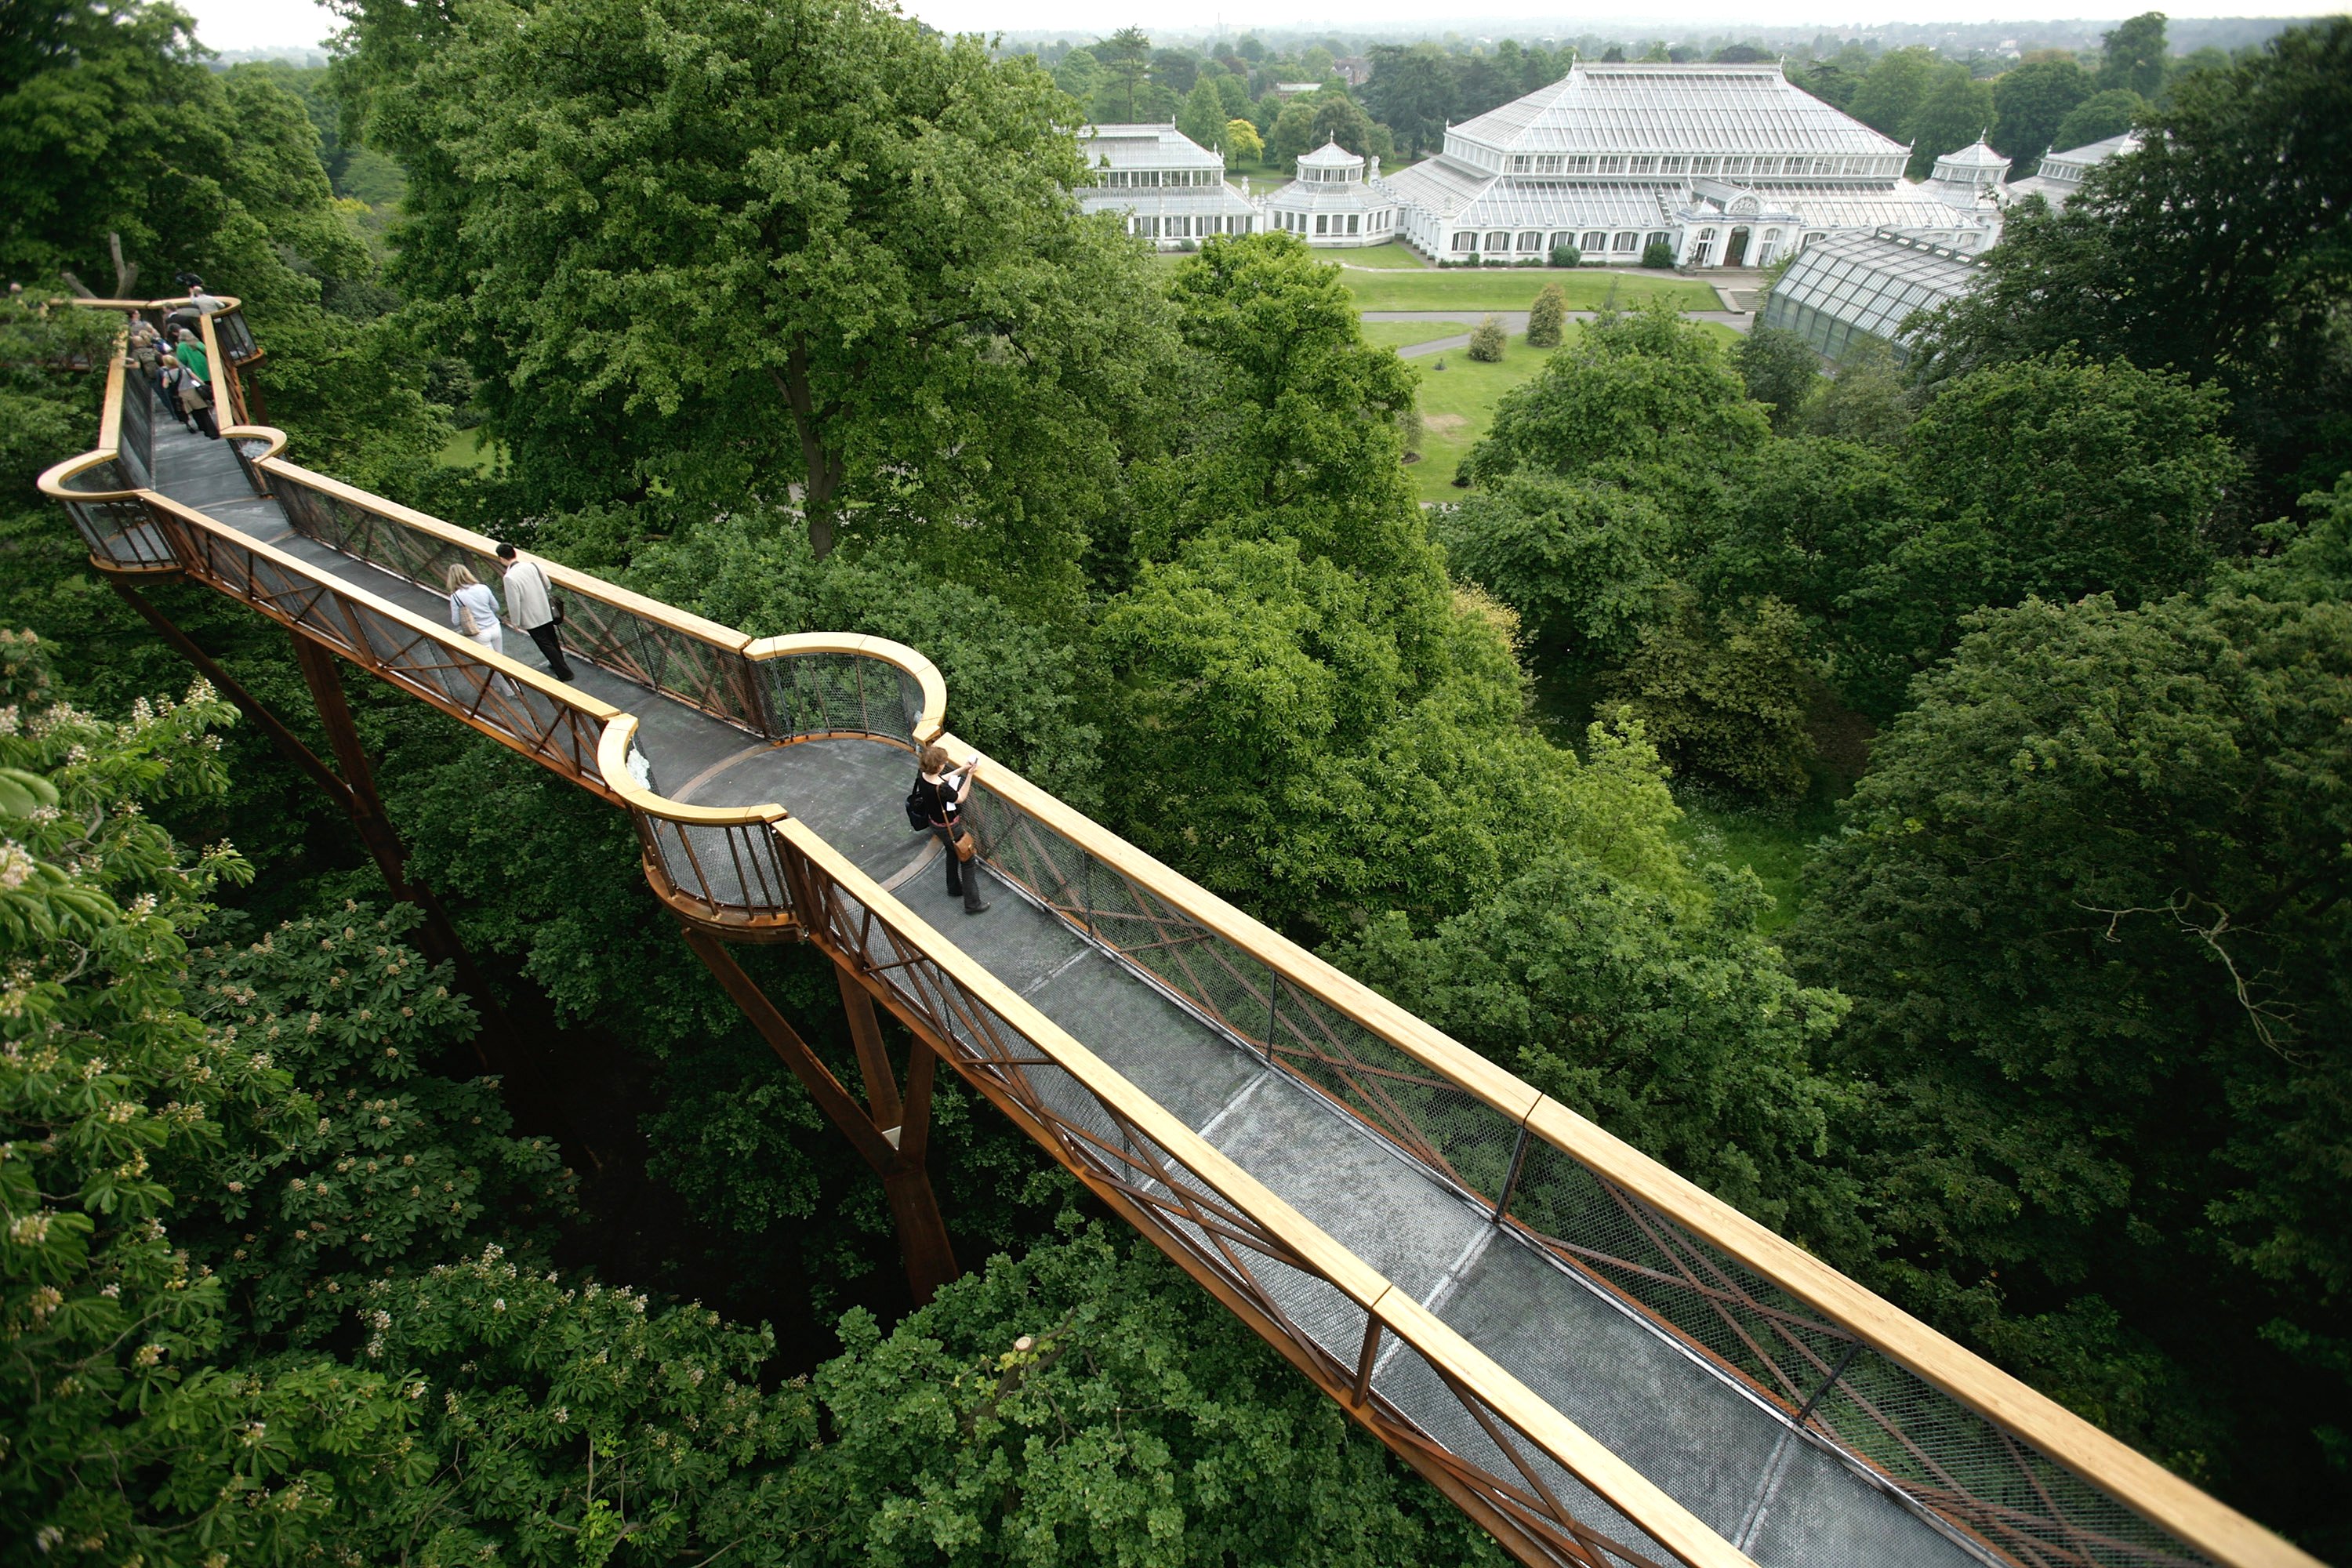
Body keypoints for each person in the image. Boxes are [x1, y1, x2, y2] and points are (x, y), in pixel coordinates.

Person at [913, 742, 989, 914]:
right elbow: (960, 797)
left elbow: (941, 779)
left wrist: (963, 768)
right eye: (943, 762)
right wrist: (969, 776)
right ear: (938, 766)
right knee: (967, 860)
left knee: (951, 851)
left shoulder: (923, 775)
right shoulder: (943, 789)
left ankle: (954, 887)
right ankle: (972, 904)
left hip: (936, 824)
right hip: (951, 828)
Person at [494, 541, 575, 681]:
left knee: (544, 643)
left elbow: (514, 602)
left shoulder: (509, 577)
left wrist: (515, 622)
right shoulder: (532, 566)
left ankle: (564, 672)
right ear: (514, 553)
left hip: (530, 616)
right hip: (545, 609)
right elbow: (547, 585)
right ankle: (559, 664)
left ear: (501, 558)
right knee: (552, 639)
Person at [445, 564, 504, 656]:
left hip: (478, 632)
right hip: (495, 626)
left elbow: (456, 622)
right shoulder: (483, 588)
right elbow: (496, 607)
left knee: (491, 663)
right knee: (501, 658)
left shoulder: (455, 597)